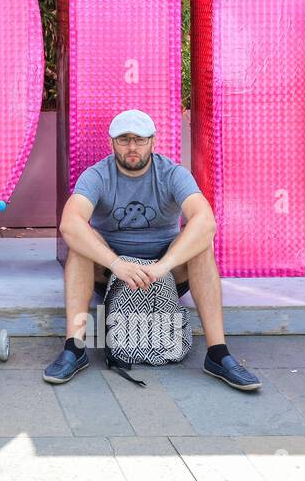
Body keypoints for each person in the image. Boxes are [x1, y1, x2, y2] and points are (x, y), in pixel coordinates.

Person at [44, 110, 262, 391]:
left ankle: (218, 354)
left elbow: (205, 221)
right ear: (111, 143)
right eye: (124, 140)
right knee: (80, 244)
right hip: (111, 272)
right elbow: (70, 224)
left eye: (139, 140)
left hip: (166, 270)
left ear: (153, 142)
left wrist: (163, 266)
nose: (132, 147)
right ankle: (74, 349)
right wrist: (115, 264)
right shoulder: (97, 175)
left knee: (200, 245)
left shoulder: (172, 174)